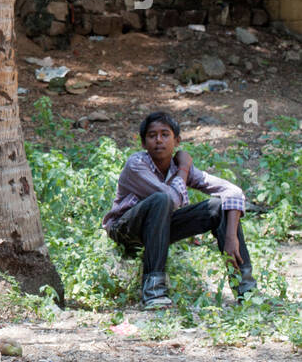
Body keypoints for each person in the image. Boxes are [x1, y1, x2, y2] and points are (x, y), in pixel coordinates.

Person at [102, 111, 255, 309]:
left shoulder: (177, 166)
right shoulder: (137, 165)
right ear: (143, 143)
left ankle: (246, 289)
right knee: (161, 199)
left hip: (160, 228)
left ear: (177, 141)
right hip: (126, 228)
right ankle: (153, 291)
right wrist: (183, 168)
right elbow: (171, 199)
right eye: (152, 136)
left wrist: (230, 237)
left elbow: (232, 191)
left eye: (165, 135)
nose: (159, 140)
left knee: (217, 207)